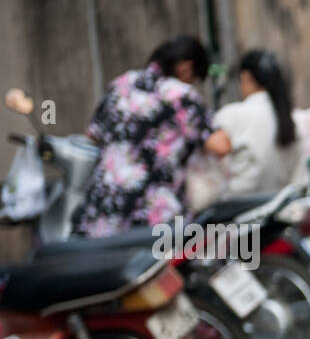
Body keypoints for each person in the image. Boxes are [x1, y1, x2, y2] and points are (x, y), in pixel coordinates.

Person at [70, 35, 230, 237]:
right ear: (186, 67)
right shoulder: (180, 95)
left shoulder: (121, 84)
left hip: (103, 210)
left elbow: (93, 135)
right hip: (153, 216)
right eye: (195, 77)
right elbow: (220, 145)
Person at [210, 50, 301, 195]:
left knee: (181, 216)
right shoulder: (293, 118)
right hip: (282, 200)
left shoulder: (231, 115)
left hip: (238, 205)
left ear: (246, 77)